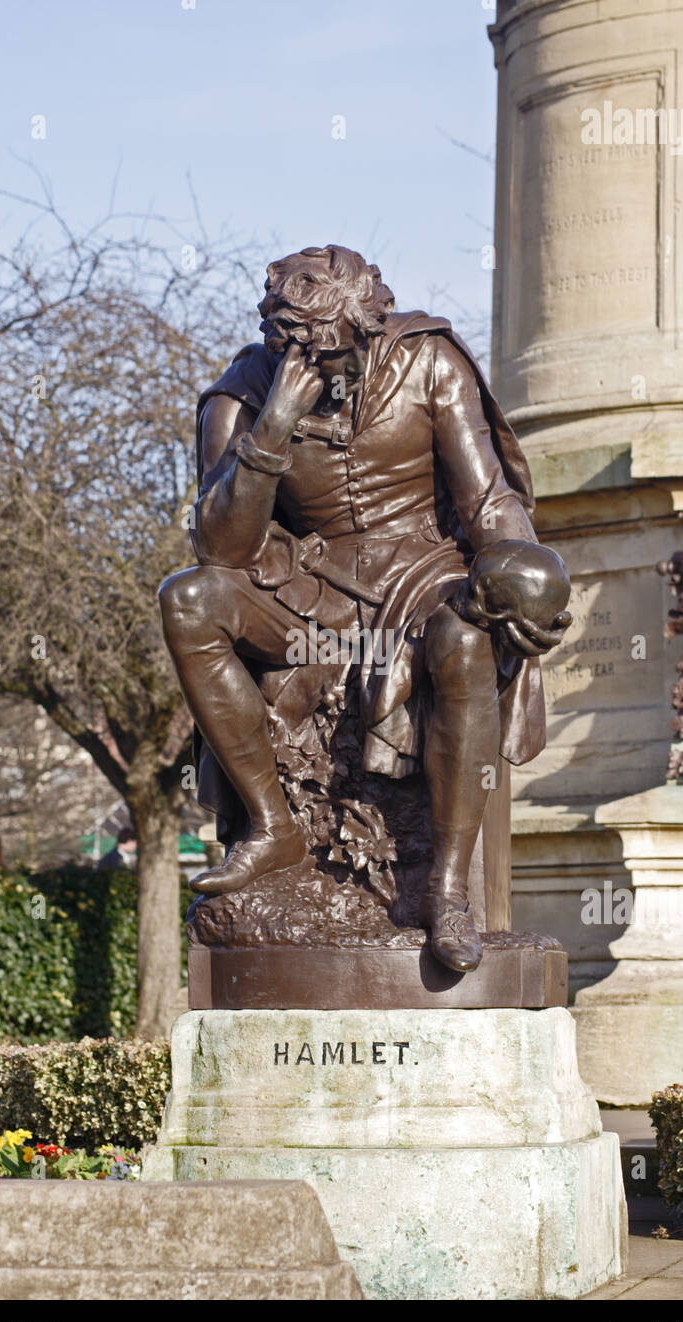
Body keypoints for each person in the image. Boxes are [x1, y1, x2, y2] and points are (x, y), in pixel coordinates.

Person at [159, 246, 570, 971]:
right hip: (305, 590)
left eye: (335, 355)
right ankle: (272, 828)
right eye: (299, 355)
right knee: (188, 600)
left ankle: (446, 891)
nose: (325, 374)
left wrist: (529, 572)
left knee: (465, 644)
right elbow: (221, 548)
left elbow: (486, 502)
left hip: (424, 577)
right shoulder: (245, 393)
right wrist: (275, 424)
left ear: (367, 327)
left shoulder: (430, 361)